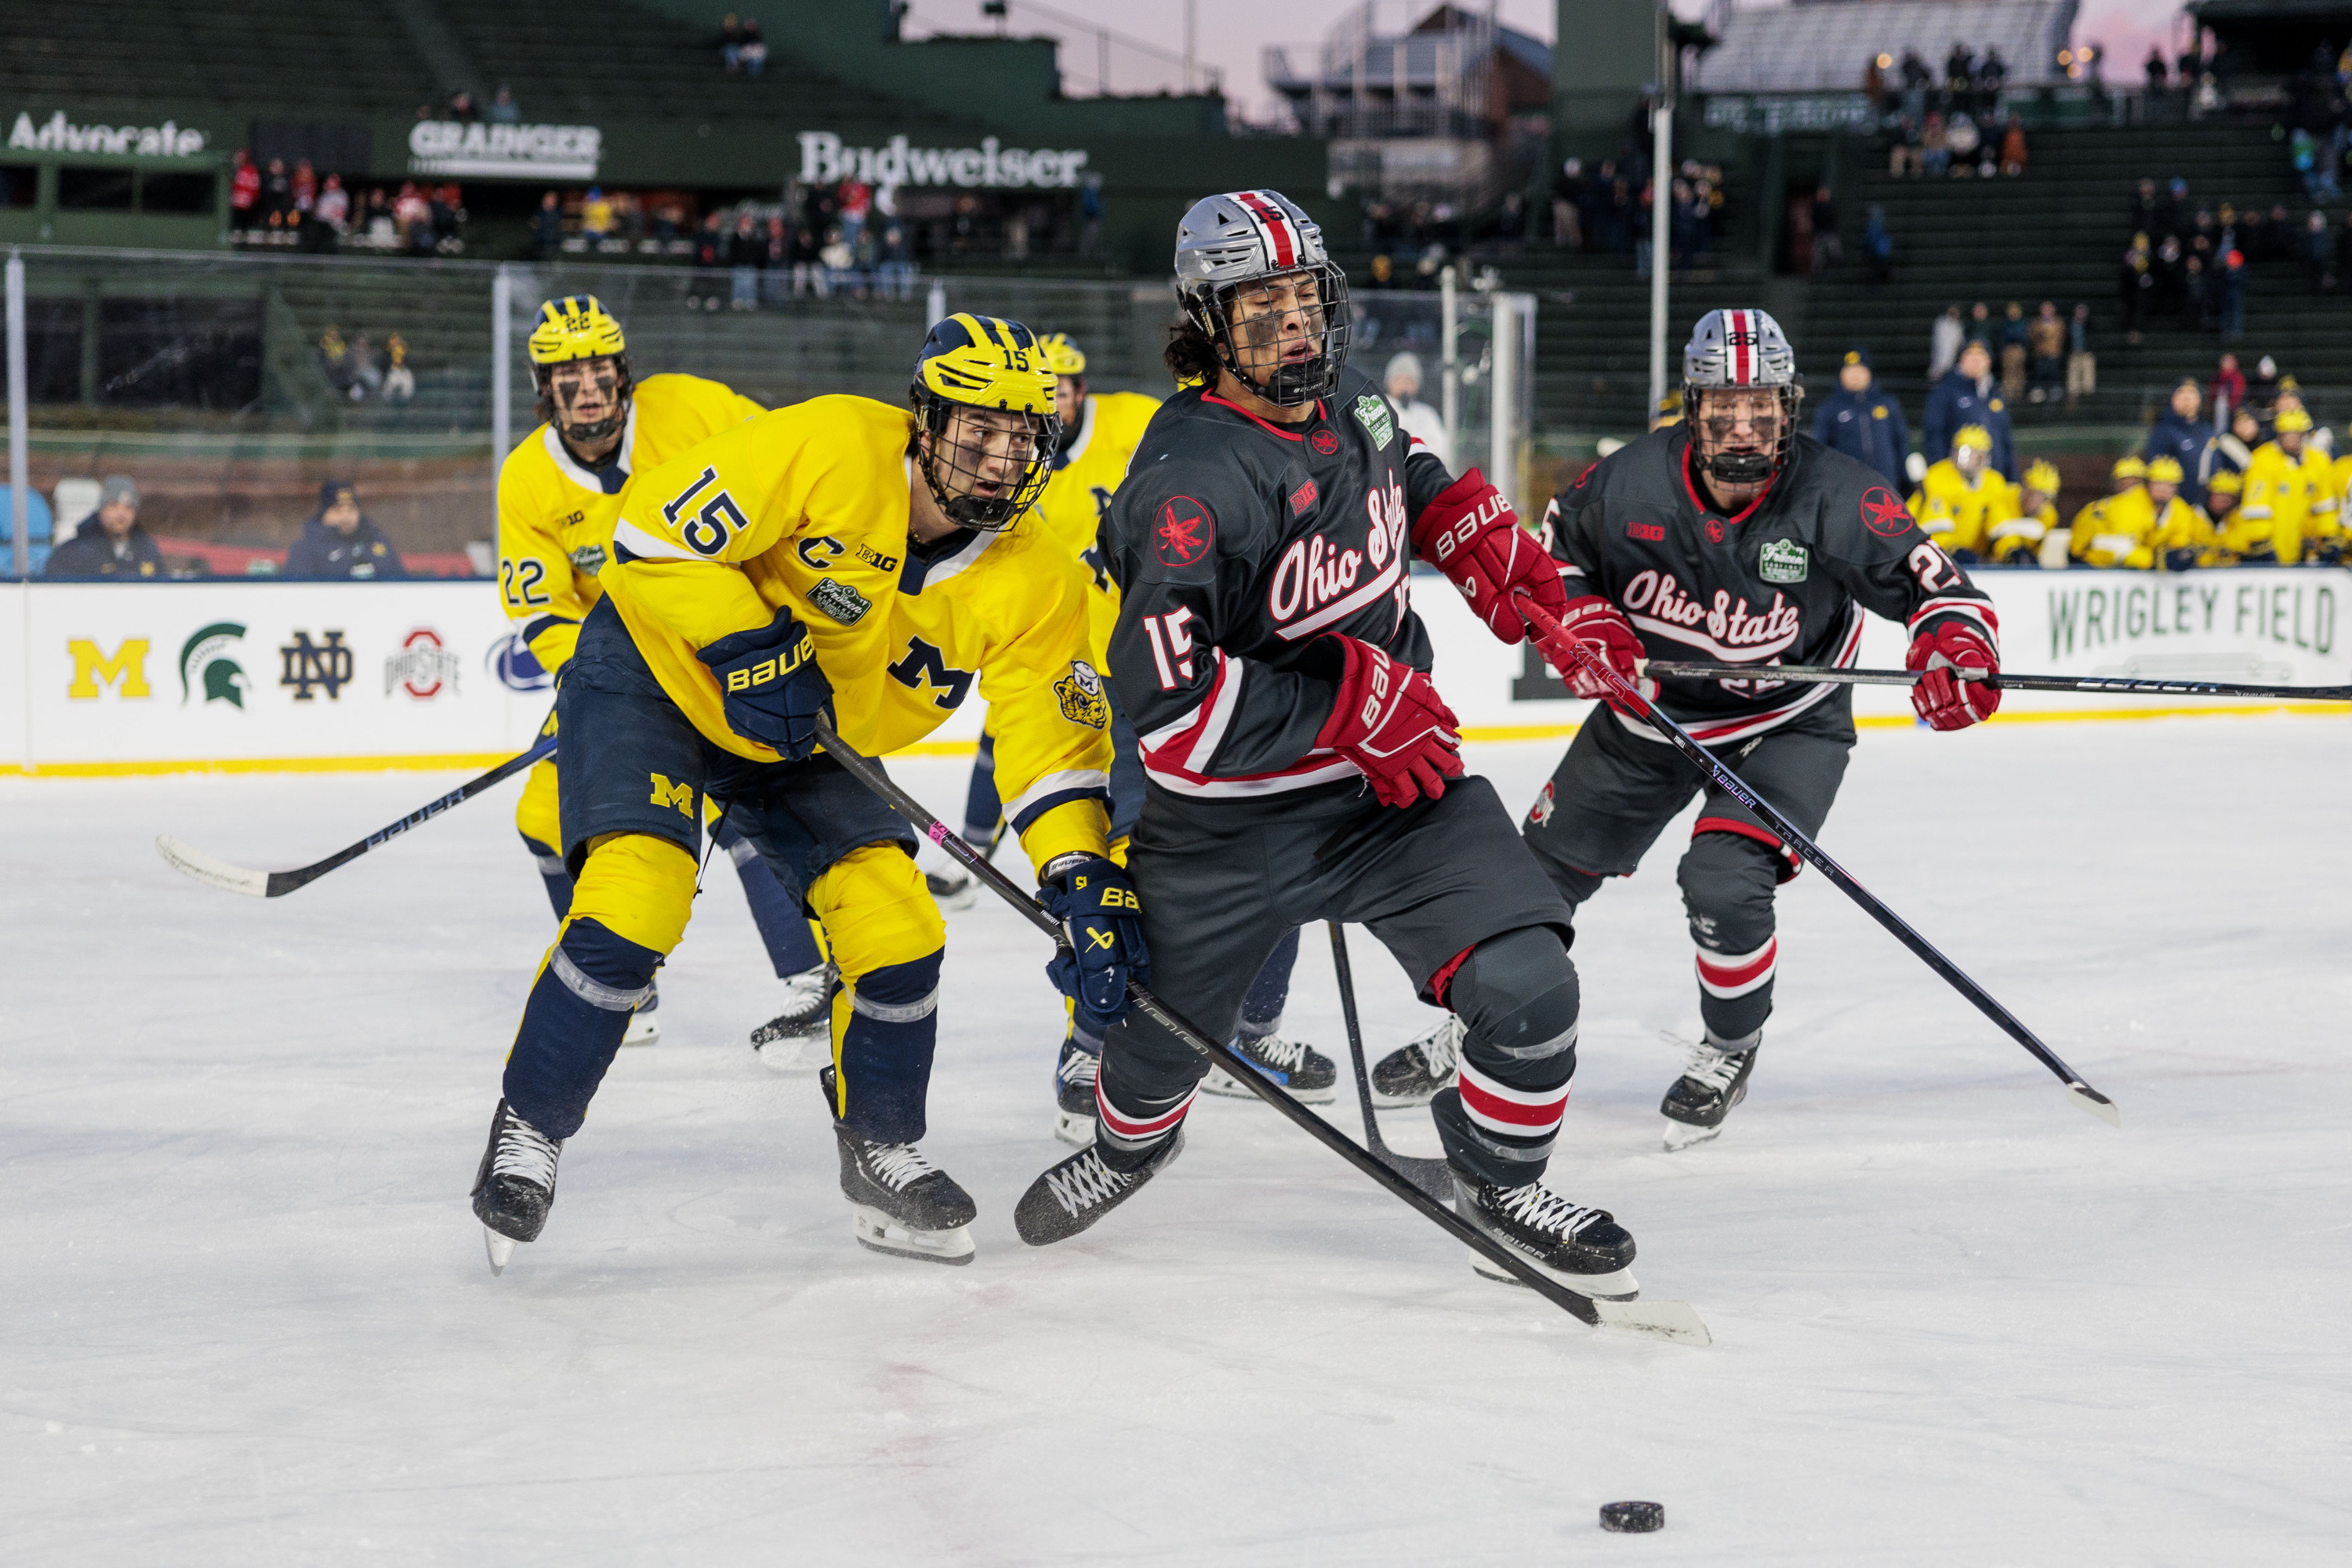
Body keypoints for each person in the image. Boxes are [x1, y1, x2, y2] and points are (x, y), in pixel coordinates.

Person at [1009, 188, 1637, 1302]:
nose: (1296, 323)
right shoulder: (1190, 485)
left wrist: (1525, 581)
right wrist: (1347, 700)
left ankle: (1499, 1177)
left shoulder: (1351, 404)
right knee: (1152, 1053)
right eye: (1263, 306)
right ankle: (1129, 1146)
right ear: (1207, 325)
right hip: (1225, 819)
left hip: (1392, 796)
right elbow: (1165, 720)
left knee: (1531, 986)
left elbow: (1413, 481)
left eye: (1307, 296)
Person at [473, 312, 1120, 1272]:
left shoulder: (1038, 577)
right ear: (924, 420)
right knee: (635, 895)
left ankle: (881, 1146)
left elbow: (1053, 742)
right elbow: (649, 525)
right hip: (659, 672)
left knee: (900, 925)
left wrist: (1074, 868)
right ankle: (530, 1125)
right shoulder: (829, 444)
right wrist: (741, 639)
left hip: (803, 726)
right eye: (975, 430)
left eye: (1020, 437)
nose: (996, 458)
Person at [1372, 307, 2001, 1154]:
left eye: (1763, 405)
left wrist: (1954, 642)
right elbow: (1556, 557)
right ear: (1692, 406)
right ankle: (1477, 1030)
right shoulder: (1629, 482)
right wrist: (1587, 622)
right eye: (1724, 404)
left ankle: (1730, 1045)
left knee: (1723, 878)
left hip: (1789, 722)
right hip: (1653, 714)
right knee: (1528, 880)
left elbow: (1938, 584)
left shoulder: (1838, 493)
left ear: (1789, 407)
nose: (1744, 423)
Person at [495, 296, 829, 1058]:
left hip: (723, 647)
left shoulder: (694, 409)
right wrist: (597, 684)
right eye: (567, 372)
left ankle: (812, 973)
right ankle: (627, 980)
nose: (587, 385)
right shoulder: (527, 480)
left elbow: (788, 466)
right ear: (543, 386)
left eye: (599, 367)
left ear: (623, 371)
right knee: (543, 817)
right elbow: (542, 610)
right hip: (616, 675)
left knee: (742, 806)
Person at [2234, 407, 2338, 563]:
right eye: (2286, 433)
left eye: (2296, 433)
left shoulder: (2318, 460)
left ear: (2304, 434)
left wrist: (2328, 536)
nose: (2291, 438)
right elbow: (2255, 507)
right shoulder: (2262, 459)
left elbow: (2324, 504)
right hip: (2271, 546)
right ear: (2278, 434)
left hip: (2303, 546)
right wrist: (2261, 541)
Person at [1907, 423, 2016, 564]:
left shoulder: (1995, 482)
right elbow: (1932, 527)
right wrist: (1952, 550)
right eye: (1960, 451)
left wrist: (2010, 549)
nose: (1963, 458)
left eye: (1972, 453)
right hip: (1941, 559)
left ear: (1985, 456)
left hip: (1982, 558)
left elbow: (2001, 526)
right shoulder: (1936, 477)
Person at [1809, 347, 1908, 489]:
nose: (1855, 374)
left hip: (1887, 485)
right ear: (1841, 374)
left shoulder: (1887, 403)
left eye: (1860, 368)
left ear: (1869, 372)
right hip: (1847, 488)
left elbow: (1900, 442)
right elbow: (1821, 450)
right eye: (1849, 369)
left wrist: (1905, 478)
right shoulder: (1829, 408)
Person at [1924, 337, 2015, 477]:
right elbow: (1934, 435)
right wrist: (1941, 474)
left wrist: (2012, 478)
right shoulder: (1945, 390)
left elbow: (2005, 440)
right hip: (1959, 480)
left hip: (1994, 480)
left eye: (1981, 355)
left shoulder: (1995, 394)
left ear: (1988, 361)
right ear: (1961, 359)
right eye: (1970, 354)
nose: (1976, 360)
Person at [42, 476, 162, 579]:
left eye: (129, 507)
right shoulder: (73, 553)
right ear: (101, 509)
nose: (121, 514)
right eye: (113, 505)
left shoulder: (147, 550)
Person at [284, 481, 406, 579]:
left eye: (351, 510)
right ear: (323, 514)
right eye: (337, 510)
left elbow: (403, 586)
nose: (345, 517)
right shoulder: (305, 550)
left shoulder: (379, 544)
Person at [2144, 378, 2216, 510]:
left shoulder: (2209, 432)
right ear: (2172, 399)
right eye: (2180, 392)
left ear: (2200, 400)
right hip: (2176, 510)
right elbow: (2156, 472)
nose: (2186, 397)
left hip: (2208, 511)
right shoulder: (2163, 431)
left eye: (2192, 393)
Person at [2070, 457, 2151, 568]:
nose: (2129, 486)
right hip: (2095, 567)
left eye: (2134, 481)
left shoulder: (2154, 506)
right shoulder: (2097, 508)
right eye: (2124, 481)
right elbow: (2076, 549)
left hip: (2135, 566)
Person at [2142, 458, 2220, 570]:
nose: (2163, 489)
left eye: (2169, 485)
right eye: (2158, 483)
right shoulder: (2131, 504)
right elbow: (2125, 547)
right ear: (2148, 485)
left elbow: (2180, 544)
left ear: (2176, 489)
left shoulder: (2182, 510)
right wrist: (2152, 559)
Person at [1383, 351, 1452, 469]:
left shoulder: (1427, 414)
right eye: (1399, 381)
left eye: (1408, 381)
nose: (1403, 386)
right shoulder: (1381, 409)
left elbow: (1441, 448)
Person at [1999, 459, 2060, 566]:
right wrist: (2013, 552)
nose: (2039, 503)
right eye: (2034, 494)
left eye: (2045, 498)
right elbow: (1999, 537)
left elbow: (2034, 551)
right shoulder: (2004, 498)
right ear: (2024, 489)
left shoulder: (2049, 515)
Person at [2026, 301, 2064, 403]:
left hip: (2053, 353)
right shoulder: (2036, 322)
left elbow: (2061, 336)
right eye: (2044, 310)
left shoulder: (2058, 322)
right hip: (2040, 353)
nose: (2046, 312)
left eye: (2049, 310)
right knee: (2039, 373)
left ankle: (2054, 391)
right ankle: (2039, 392)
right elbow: (2032, 335)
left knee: (2053, 373)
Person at [2065, 303, 2096, 407]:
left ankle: (2088, 399)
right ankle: (2074, 400)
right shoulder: (2071, 324)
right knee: (2073, 377)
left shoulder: (2089, 324)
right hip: (2074, 353)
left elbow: (2091, 339)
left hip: (2086, 353)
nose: (2081, 314)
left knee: (2088, 376)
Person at [1928, 303, 1964, 382]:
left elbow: (1960, 342)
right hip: (1940, 358)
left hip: (1953, 358)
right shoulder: (1941, 323)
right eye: (1952, 311)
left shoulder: (1958, 326)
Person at [533, 191, 564, 260]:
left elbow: (562, 226)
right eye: (548, 198)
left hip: (555, 244)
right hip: (541, 243)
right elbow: (534, 224)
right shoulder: (539, 212)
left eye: (552, 199)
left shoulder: (559, 213)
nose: (550, 201)